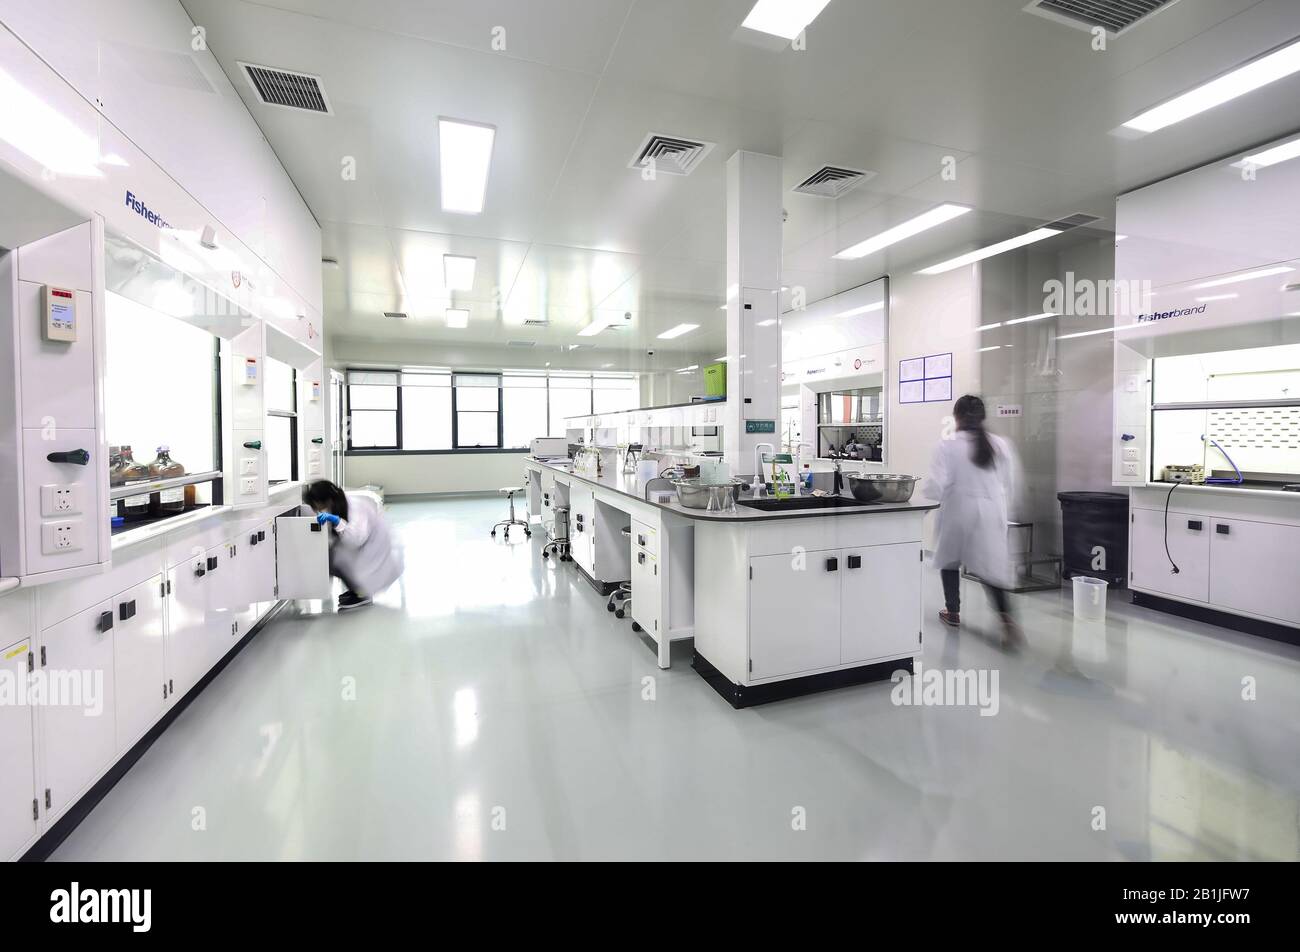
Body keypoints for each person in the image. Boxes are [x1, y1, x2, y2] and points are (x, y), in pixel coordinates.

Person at [923, 395, 1024, 648]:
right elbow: (1011, 483)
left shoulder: (946, 445)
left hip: (958, 510)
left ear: (956, 417)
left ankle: (953, 612)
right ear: (982, 417)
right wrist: (1005, 511)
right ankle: (1006, 620)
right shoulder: (1000, 444)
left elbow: (936, 485)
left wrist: (923, 504)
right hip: (991, 510)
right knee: (991, 568)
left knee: (950, 559)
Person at [302, 480, 404, 612]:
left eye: (317, 505)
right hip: (363, 549)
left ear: (327, 500)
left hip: (374, 551)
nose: (316, 509)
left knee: (333, 559)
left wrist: (337, 521)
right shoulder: (338, 503)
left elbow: (356, 538)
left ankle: (362, 593)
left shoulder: (354, 506)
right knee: (332, 556)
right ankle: (358, 590)